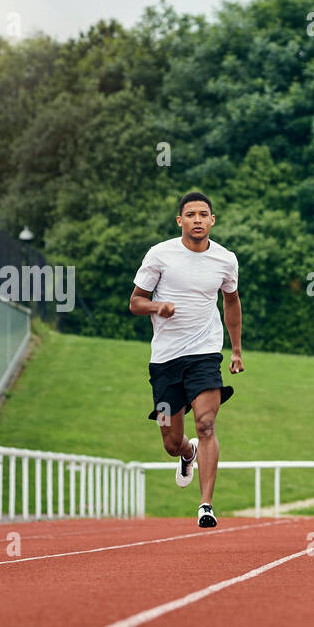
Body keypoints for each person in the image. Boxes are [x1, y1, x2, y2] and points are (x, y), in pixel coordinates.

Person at [129, 191, 242, 527]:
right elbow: (135, 302)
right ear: (180, 220)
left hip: (205, 353)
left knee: (206, 424)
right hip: (165, 360)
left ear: (212, 220)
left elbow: (231, 302)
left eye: (202, 214)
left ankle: (205, 505)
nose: (197, 220)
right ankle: (187, 453)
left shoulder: (225, 259)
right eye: (190, 214)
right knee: (170, 441)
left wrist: (235, 350)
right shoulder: (160, 255)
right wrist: (156, 306)